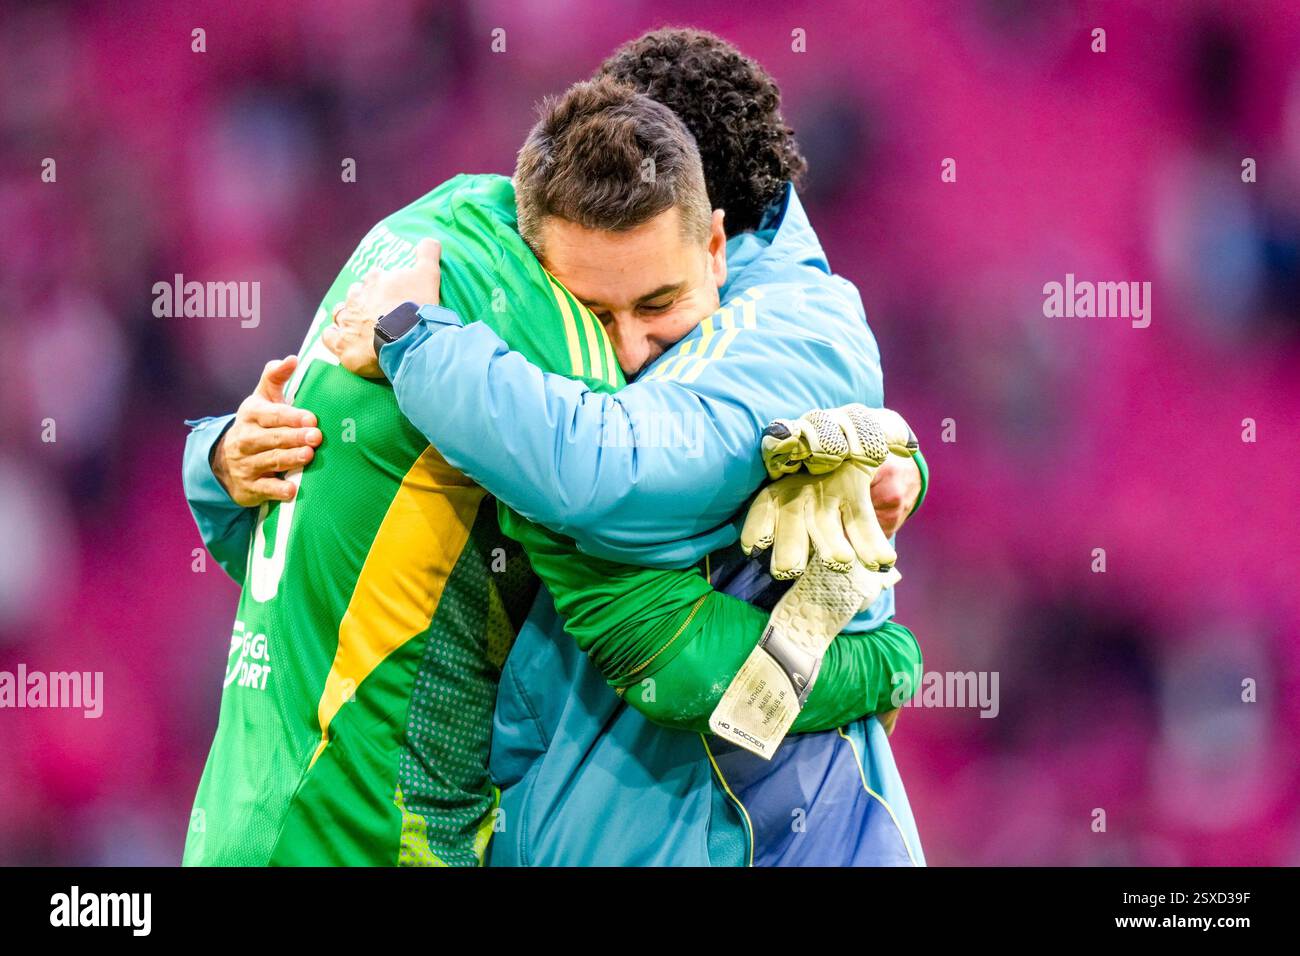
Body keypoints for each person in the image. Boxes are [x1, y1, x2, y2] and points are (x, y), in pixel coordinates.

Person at [182, 70, 922, 865]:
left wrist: (213, 459)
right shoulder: (533, 349)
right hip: (365, 837)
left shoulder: (412, 240)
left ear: (713, 242)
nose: (627, 350)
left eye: (656, 306)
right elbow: (676, 664)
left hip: (245, 809)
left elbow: (330, 547)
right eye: (602, 314)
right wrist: (884, 666)